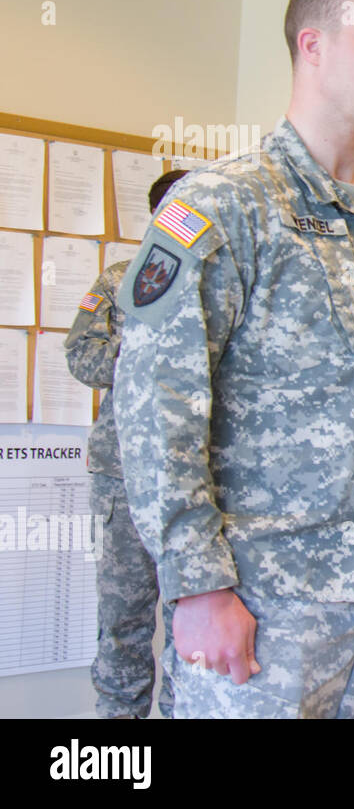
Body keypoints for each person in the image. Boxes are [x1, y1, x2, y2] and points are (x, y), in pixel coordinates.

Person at [114, 0, 354, 718]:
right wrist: (196, 582)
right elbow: (156, 408)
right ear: (312, 46)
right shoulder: (220, 208)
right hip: (261, 610)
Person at [64, 169, 187, 718]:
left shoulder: (224, 283)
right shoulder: (120, 280)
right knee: (123, 626)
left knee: (196, 631)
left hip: (198, 485)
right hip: (125, 480)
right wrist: (146, 348)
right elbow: (83, 358)